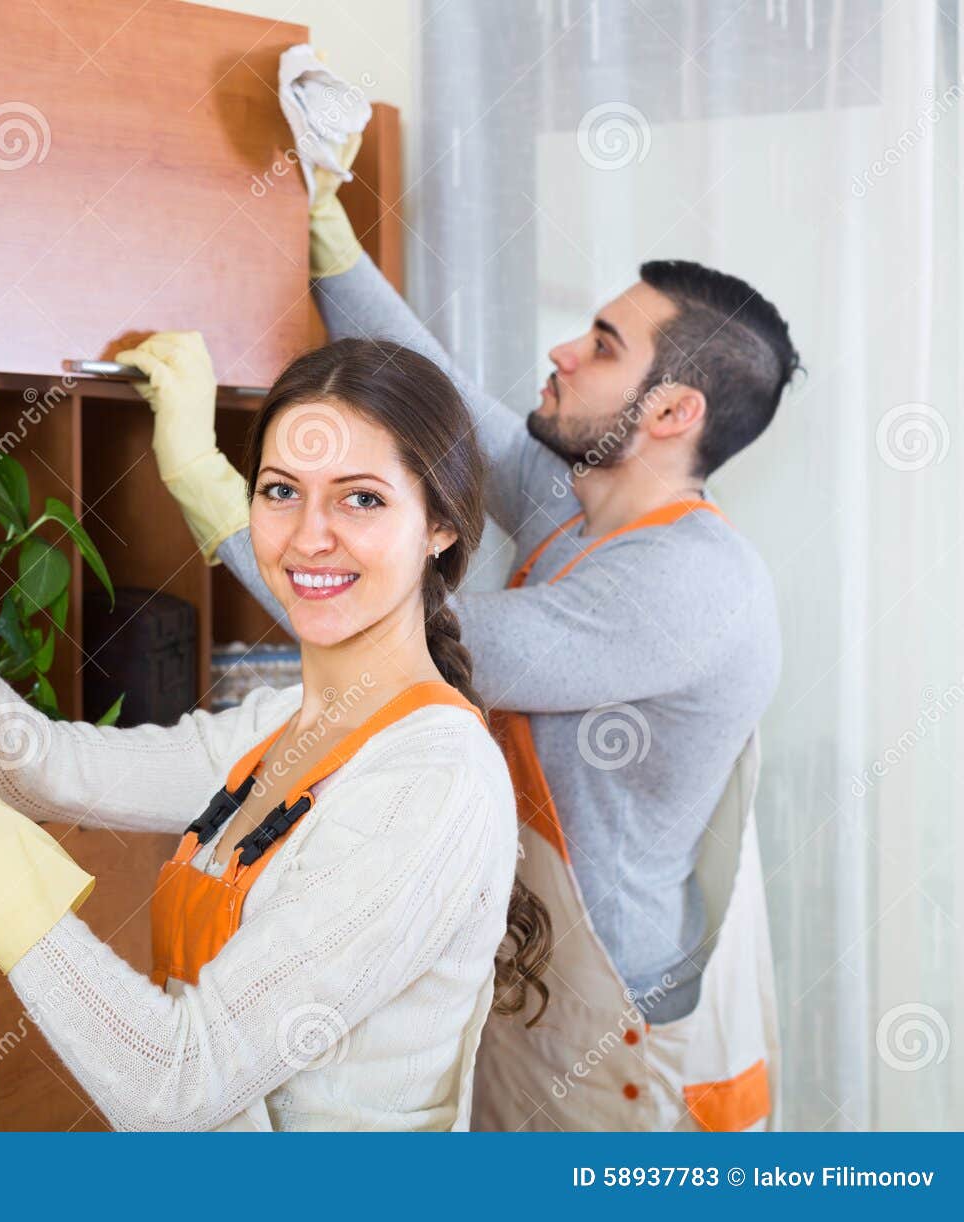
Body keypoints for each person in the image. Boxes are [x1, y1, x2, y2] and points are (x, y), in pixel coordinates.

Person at [0, 339, 546, 1131]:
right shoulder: (282, 730)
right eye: (281, 490)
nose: (307, 535)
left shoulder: (431, 781)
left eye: (361, 498)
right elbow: (40, 770)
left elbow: (175, 1082)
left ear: (441, 525)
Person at [136, 127, 795, 1130]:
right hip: (531, 972)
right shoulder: (580, 506)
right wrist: (326, 228)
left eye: (603, 347)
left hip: (605, 1017)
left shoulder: (684, 586)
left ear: (669, 413)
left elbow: (370, 628)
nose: (562, 351)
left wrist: (197, 474)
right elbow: (434, 387)